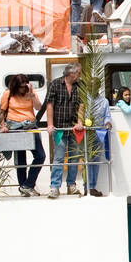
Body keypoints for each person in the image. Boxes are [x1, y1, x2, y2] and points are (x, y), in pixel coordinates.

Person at [0, 73, 46, 195]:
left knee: (40, 156)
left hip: (30, 125)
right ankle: (24, 187)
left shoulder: (30, 91)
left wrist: (31, 95)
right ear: (15, 86)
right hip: (15, 126)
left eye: (24, 86)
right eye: (20, 87)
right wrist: (3, 126)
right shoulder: (8, 94)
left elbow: (38, 107)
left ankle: (27, 184)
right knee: (21, 159)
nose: (22, 89)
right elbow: (1, 111)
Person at [44, 62, 84, 197]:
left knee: (74, 157)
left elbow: (81, 105)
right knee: (59, 157)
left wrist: (80, 121)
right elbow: (49, 105)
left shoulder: (80, 86)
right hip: (59, 127)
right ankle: (54, 186)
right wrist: (50, 124)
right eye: (78, 72)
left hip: (74, 128)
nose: (79, 75)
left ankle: (71, 185)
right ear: (71, 73)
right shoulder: (55, 84)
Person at [86, 91, 112, 196]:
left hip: (99, 132)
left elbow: (107, 115)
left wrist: (108, 123)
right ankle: (86, 186)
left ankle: (92, 186)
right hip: (86, 132)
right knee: (86, 159)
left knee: (95, 160)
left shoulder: (104, 101)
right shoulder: (85, 99)